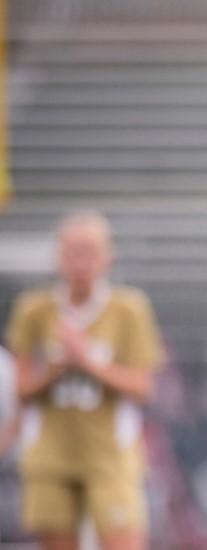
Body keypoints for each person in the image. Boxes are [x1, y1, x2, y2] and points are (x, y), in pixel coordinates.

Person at [4, 210, 164, 550]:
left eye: (89, 252)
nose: (80, 262)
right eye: (72, 252)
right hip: (50, 456)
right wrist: (58, 366)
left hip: (110, 457)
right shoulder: (34, 309)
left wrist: (87, 360)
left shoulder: (129, 309)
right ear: (58, 257)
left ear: (108, 257)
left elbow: (143, 387)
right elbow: (21, 388)